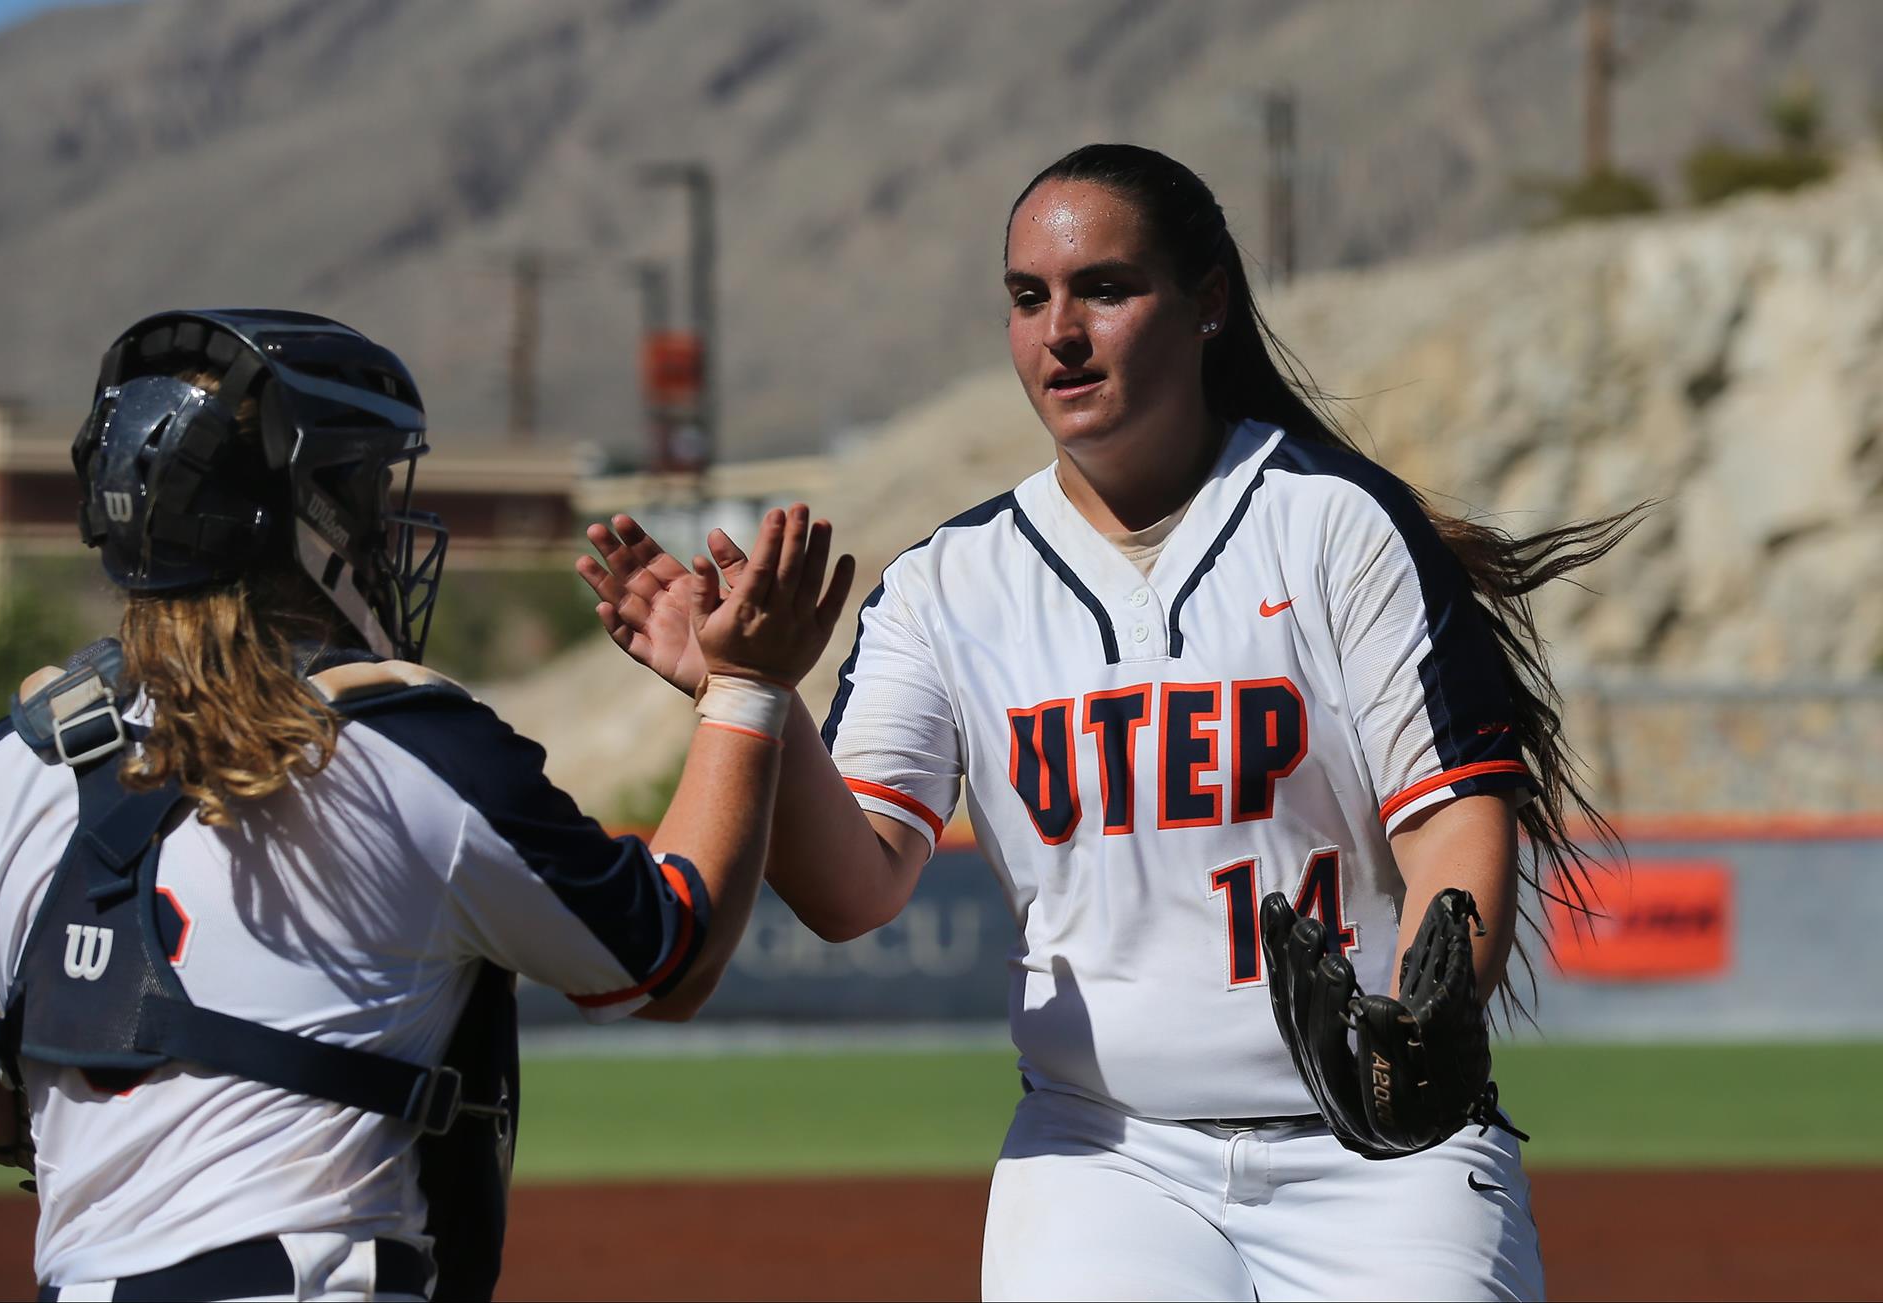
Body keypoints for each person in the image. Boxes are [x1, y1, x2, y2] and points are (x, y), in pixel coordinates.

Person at [578, 144, 1633, 1301]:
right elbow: (854, 890)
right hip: (1105, 1153)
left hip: (1377, 1154)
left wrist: (1435, 1009)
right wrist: (749, 693)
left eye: (1105, 288)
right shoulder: (947, 585)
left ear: (1208, 301)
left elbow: (1449, 820)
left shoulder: (1334, 523)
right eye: (1027, 298)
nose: (1058, 331)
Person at [0, 308, 854, 1301]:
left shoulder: (7, 769)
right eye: (361, 491)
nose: (381, 527)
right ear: (300, 520)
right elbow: (667, 952)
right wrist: (744, 687)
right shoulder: (411, 747)